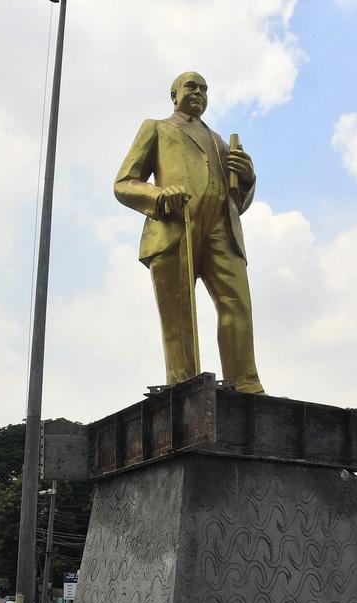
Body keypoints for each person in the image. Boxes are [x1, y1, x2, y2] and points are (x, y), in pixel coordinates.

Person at [115, 71, 264, 394]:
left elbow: (238, 201)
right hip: (175, 224)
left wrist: (247, 178)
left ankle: (245, 383)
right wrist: (158, 196)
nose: (199, 93)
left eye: (204, 89)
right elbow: (124, 184)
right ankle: (184, 387)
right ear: (174, 95)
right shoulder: (156, 128)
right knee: (179, 314)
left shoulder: (220, 142)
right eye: (191, 87)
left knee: (237, 304)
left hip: (222, 228)